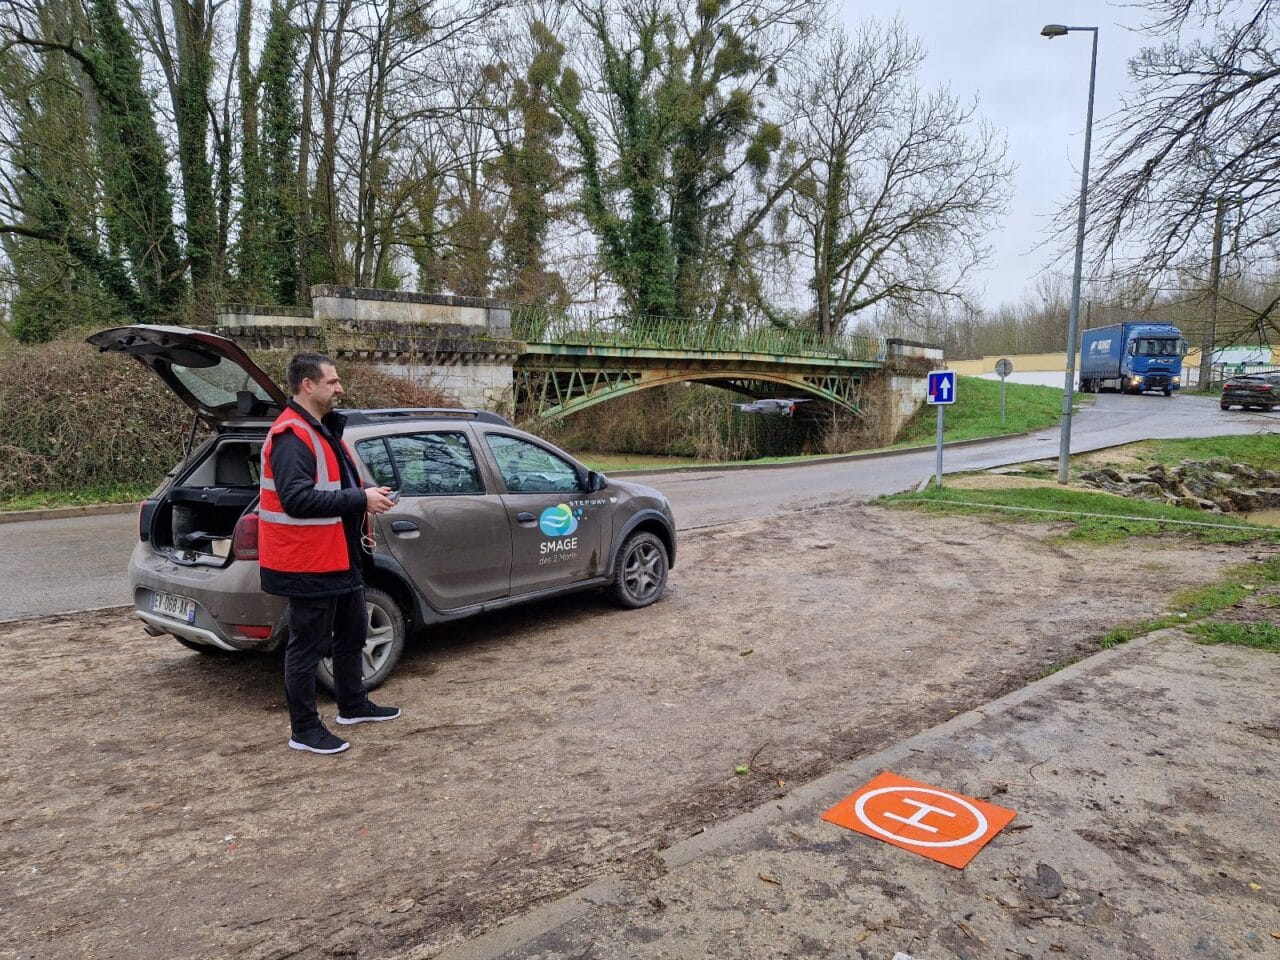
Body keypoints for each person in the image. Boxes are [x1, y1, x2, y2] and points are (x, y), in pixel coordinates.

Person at [259, 352, 400, 754]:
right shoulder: (291, 435)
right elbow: (296, 500)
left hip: (339, 554)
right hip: (307, 562)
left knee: (352, 630)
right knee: (307, 647)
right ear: (308, 385)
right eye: (332, 382)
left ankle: (353, 705)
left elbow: (331, 485)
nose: (340, 388)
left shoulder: (320, 429)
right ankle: (304, 730)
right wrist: (361, 498)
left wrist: (366, 496)